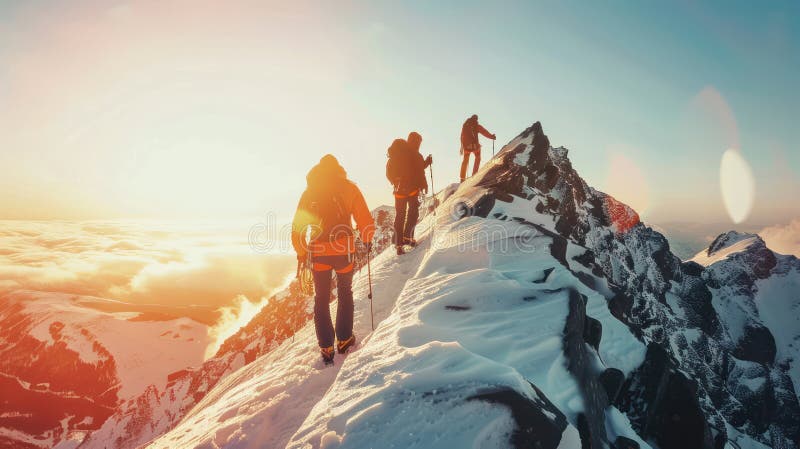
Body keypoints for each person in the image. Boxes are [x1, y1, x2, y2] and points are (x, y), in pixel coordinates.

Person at [292, 154, 375, 365]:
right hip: (343, 250)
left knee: (321, 298)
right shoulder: (349, 188)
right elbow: (364, 220)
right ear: (338, 169)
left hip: (318, 251)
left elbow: (298, 228)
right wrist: (366, 239)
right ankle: (345, 339)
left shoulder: (309, 192)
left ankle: (326, 347)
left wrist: (301, 253)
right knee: (345, 292)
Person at [386, 134, 431, 255]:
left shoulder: (395, 155)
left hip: (399, 191)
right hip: (412, 190)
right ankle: (408, 237)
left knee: (400, 215)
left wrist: (395, 182)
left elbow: (388, 173)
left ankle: (398, 244)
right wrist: (424, 185)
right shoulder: (415, 154)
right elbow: (420, 171)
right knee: (413, 212)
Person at [459, 114, 496, 182]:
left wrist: (461, 147)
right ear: (476, 119)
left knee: (465, 160)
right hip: (475, 147)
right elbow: (484, 132)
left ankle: (462, 178)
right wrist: (492, 136)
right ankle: (474, 174)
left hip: (466, 147)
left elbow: (462, 136)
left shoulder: (465, 126)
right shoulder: (477, 126)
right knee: (478, 157)